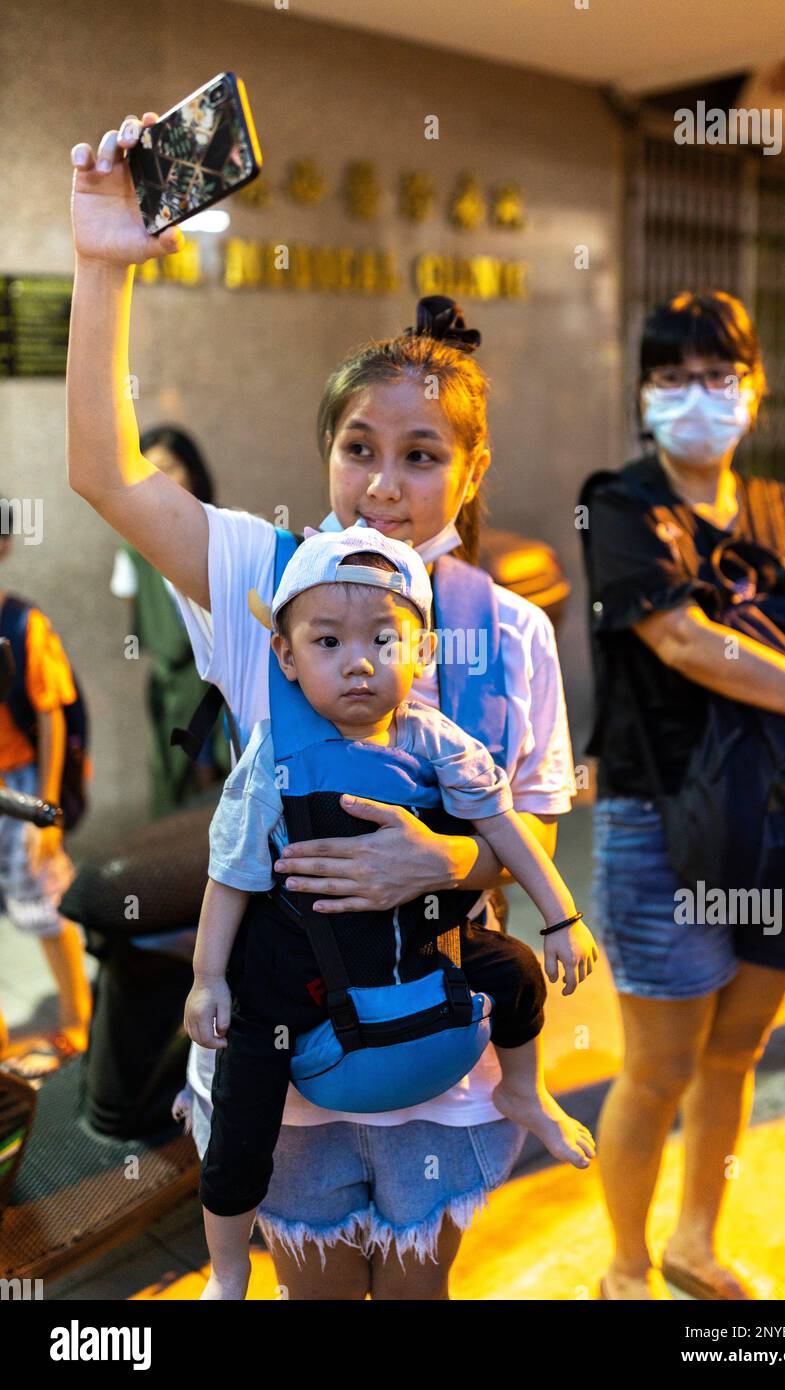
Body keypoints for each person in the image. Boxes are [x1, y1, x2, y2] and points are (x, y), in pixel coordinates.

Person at [67, 111, 583, 1297]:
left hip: (439, 1048)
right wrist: (101, 260)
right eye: (359, 448)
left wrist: (439, 865)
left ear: (466, 472)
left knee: (412, 1292)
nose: (384, 485)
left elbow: (533, 832)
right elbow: (102, 470)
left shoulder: (510, 633)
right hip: (287, 1057)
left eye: (418, 454)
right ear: (325, 456)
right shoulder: (266, 578)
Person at [186, 527, 597, 1298]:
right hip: (300, 959)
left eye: (384, 638)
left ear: (424, 651)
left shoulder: (434, 738)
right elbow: (231, 873)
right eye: (329, 642)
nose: (360, 661)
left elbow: (505, 826)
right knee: (245, 1099)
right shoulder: (274, 755)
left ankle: (522, 1089)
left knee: (511, 974)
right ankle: (230, 1266)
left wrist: (562, 917)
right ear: (287, 657)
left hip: (414, 938)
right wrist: (208, 977)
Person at [581, 290, 785, 1301]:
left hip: (782, 827)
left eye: (715, 374)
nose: (695, 396)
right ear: (641, 394)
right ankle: (621, 1264)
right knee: (655, 1068)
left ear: (753, 387)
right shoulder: (618, 504)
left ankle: (692, 1241)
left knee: (734, 1052)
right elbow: (684, 640)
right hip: (657, 822)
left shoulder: (782, 511)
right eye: (669, 376)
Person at [0, 525, 91, 1079]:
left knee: (44, 900)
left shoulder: (23, 624)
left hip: (23, 783)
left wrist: (46, 811)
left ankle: (76, 1019)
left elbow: (53, 714)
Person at [110, 425, 229, 818]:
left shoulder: (226, 533)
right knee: (181, 781)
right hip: (175, 689)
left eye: (171, 466)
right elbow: (144, 620)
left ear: (192, 471)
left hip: (228, 680)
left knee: (230, 780)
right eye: (150, 468)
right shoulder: (133, 551)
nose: (161, 478)